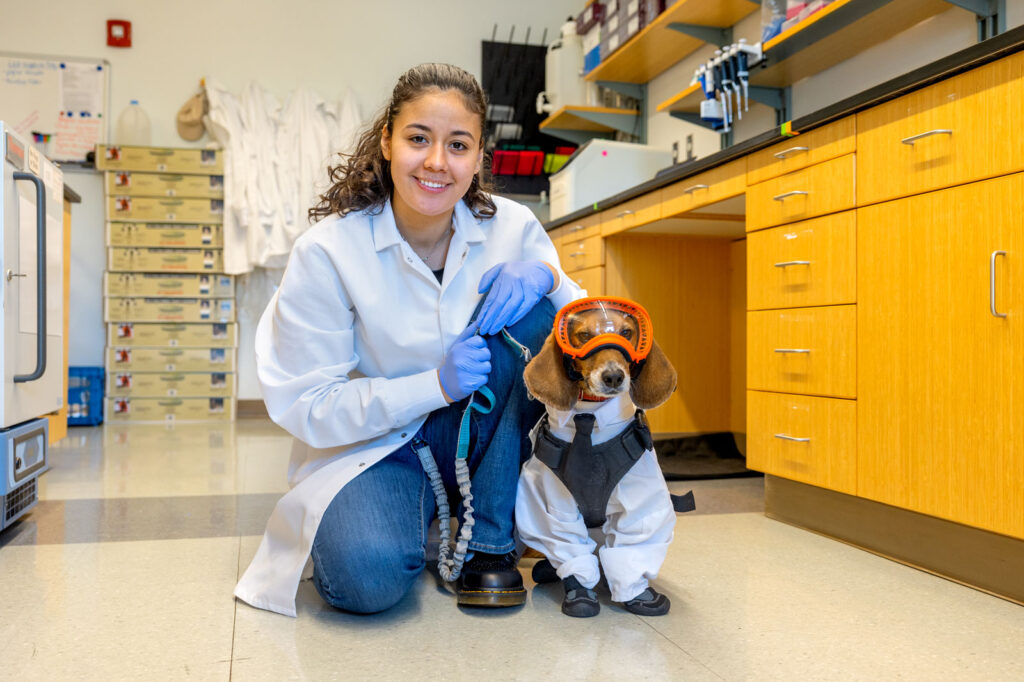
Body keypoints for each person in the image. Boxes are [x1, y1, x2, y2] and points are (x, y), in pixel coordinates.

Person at [235, 63, 584, 617]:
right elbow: (309, 403)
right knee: (364, 580)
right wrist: (435, 385)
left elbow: (588, 332)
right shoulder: (328, 252)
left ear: (479, 157)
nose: (437, 162)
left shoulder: (512, 227)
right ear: (387, 141)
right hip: (382, 445)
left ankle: (487, 544)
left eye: (458, 145)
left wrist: (549, 277)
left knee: (540, 313)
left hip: (487, 443)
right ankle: (426, 517)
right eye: (418, 139)